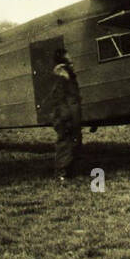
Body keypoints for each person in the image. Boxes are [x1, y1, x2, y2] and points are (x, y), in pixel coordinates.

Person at [48, 47, 82, 180]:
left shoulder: (68, 76)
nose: (71, 58)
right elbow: (60, 100)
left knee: (74, 142)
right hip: (66, 117)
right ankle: (61, 173)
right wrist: (66, 118)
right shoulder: (61, 77)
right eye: (68, 56)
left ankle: (69, 172)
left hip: (71, 116)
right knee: (64, 143)